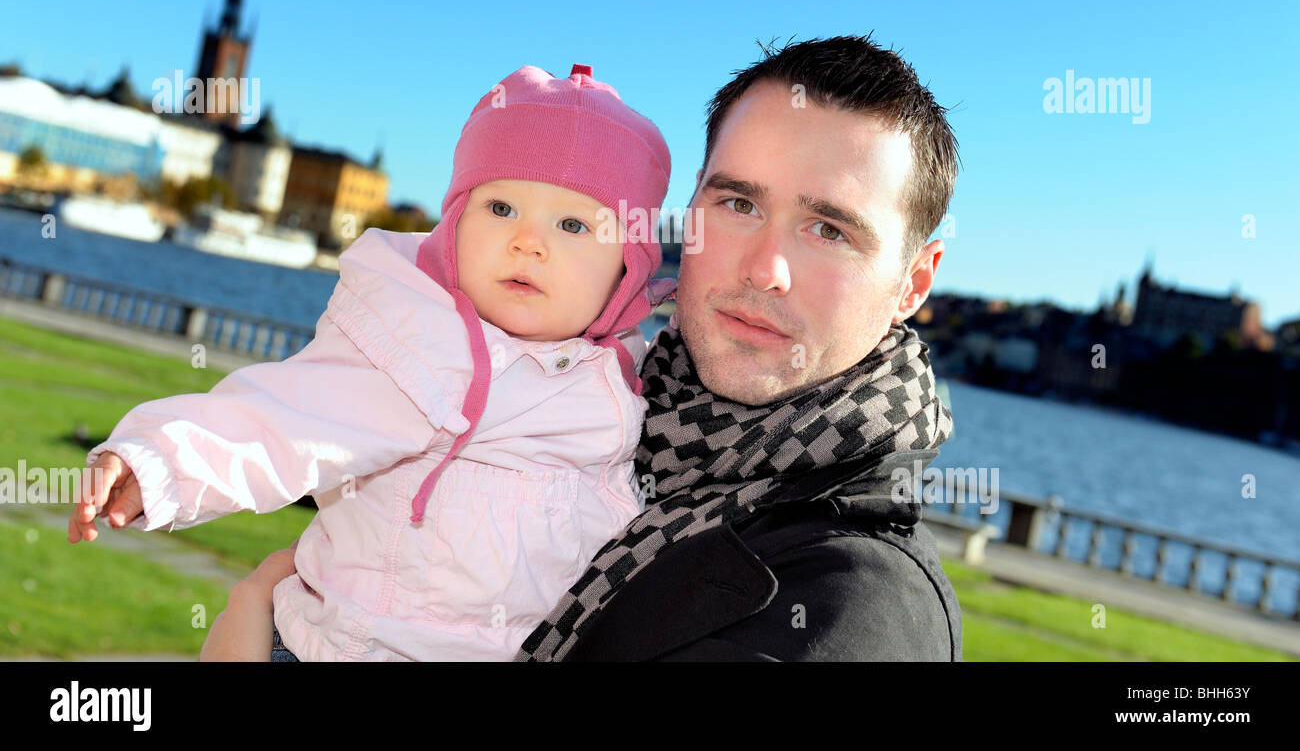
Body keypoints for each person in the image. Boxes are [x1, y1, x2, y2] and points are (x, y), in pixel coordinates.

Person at [141, 32, 965, 661]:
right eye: (739, 203)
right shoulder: (608, 402)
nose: (767, 267)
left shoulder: (855, 609)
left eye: (829, 229)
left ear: (913, 283)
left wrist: (251, 620)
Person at [67, 63, 676, 661]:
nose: (529, 240)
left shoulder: (628, 378)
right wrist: (161, 460)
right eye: (500, 209)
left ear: (628, 268)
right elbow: (290, 419)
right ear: (455, 223)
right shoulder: (421, 347)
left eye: (572, 224)